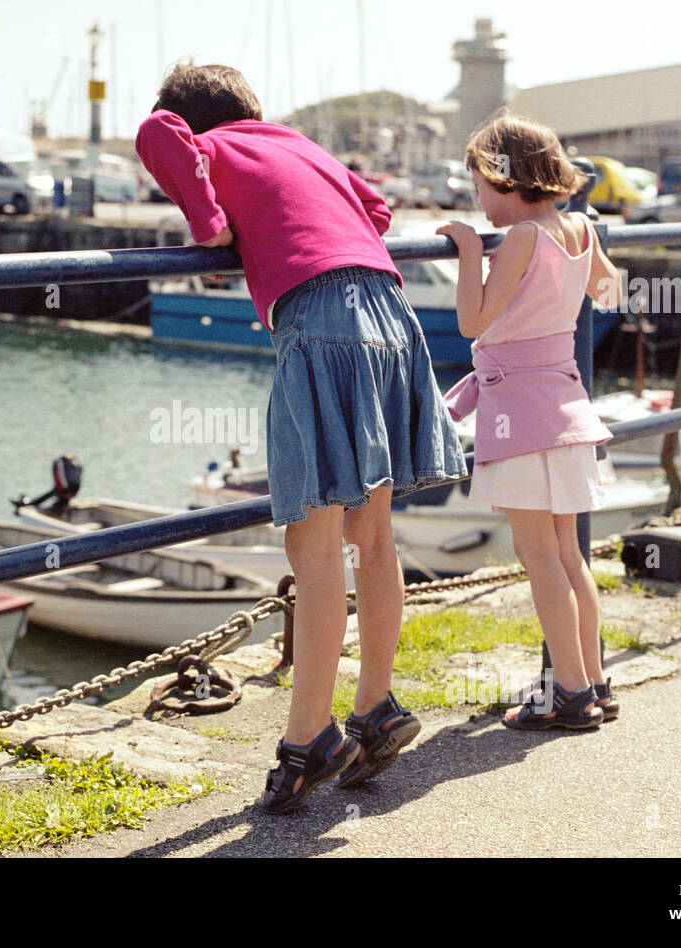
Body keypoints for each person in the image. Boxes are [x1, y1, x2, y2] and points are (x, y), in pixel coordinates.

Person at [136, 63, 467, 814]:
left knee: (311, 544)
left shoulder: (203, 142)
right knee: (372, 535)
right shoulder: (303, 146)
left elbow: (184, 179)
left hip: (322, 323)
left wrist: (206, 204)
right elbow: (377, 213)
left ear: (195, 123)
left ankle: (306, 739)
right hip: (391, 312)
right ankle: (376, 705)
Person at [437, 113, 622, 730]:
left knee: (538, 556)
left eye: (481, 188)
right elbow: (608, 290)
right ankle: (595, 680)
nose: (478, 201)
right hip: (566, 407)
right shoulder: (577, 228)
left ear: (505, 178)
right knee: (569, 554)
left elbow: (473, 321)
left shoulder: (519, 239)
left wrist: (468, 251)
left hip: (521, 416)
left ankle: (568, 692)